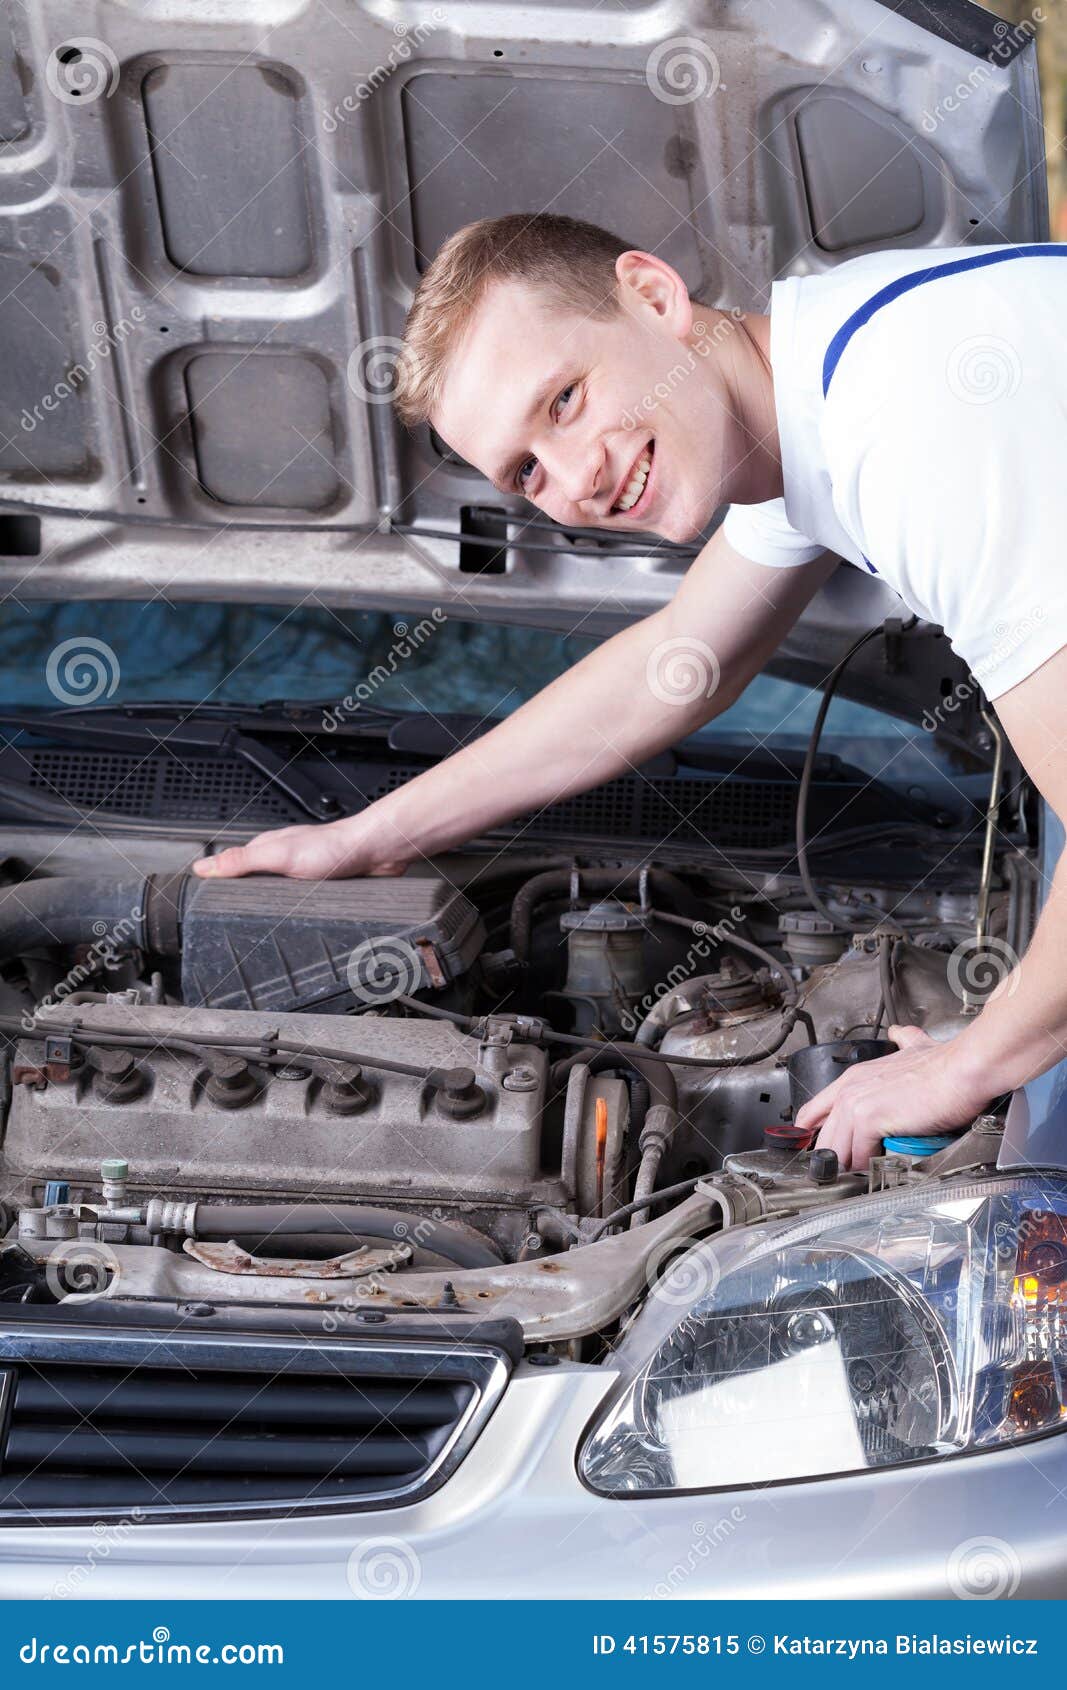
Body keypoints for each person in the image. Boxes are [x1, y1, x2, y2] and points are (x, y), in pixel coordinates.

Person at [193, 212, 1067, 1170]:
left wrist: (967, 1066)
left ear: (653, 296)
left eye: (563, 401)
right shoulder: (815, 387)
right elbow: (677, 664)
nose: (576, 485)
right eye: (524, 469)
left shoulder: (909, 428)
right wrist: (365, 838)